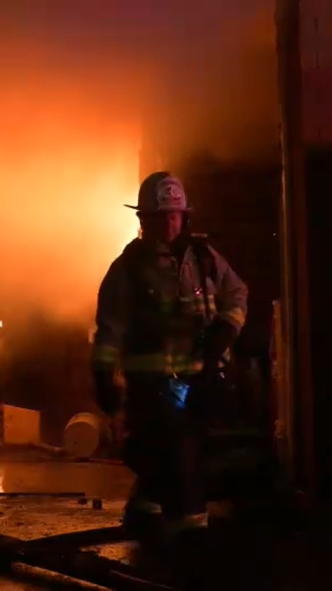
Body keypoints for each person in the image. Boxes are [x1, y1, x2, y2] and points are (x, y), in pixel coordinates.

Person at [91, 171, 249, 550]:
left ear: (184, 216)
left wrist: (225, 331)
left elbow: (237, 292)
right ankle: (191, 534)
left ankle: (145, 512)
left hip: (202, 379)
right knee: (181, 457)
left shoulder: (204, 258)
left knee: (176, 453)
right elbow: (109, 331)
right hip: (152, 386)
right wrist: (104, 378)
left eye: (174, 216)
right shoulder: (127, 269)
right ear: (143, 219)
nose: (169, 224)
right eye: (160, 217)